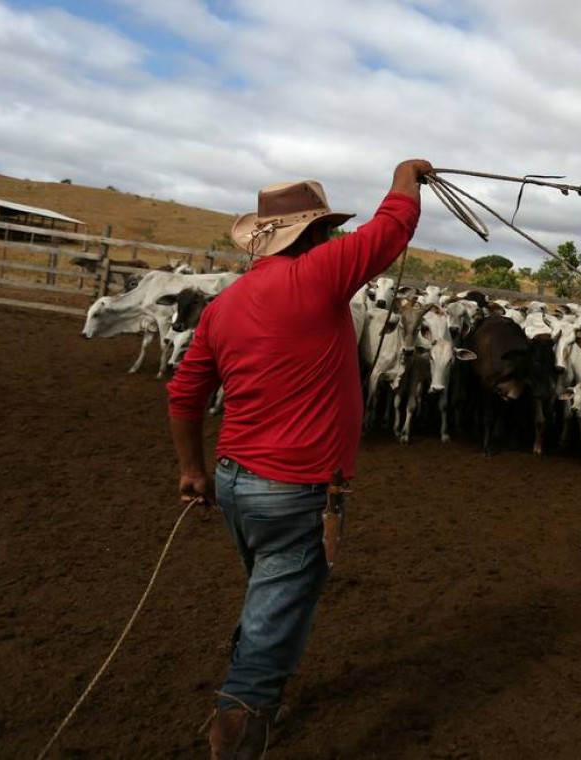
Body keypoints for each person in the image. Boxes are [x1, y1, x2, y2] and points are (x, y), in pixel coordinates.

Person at [167, 159, 433, 759]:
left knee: (269, 596)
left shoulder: (223, 307)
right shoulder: (319, 274)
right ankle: (238, 727)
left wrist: (191, 470)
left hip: (236, 483)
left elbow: (184, 393)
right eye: (325, 230)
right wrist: (405, 174)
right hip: (299, 489)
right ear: (311, 235)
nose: (333, 239)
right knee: (274, 608)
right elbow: (391, 228)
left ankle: (261, 692)